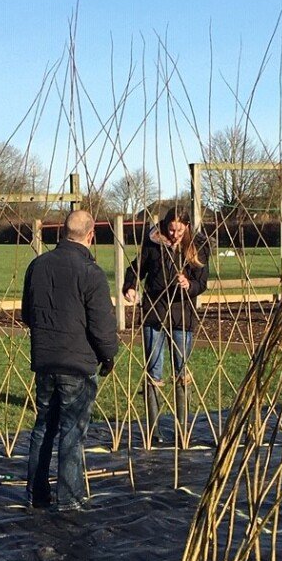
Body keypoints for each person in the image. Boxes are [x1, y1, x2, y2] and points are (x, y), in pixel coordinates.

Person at [20, 208, 118, 511]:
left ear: (62, 232)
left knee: (44, 428)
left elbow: (27, 313)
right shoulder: (91, 274)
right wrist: (109, 356)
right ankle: (70, 499)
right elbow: (102, 326)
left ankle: (37, 494)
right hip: (77, 364)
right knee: (72, 433)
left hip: (45, 360)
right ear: (91, 235)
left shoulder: (37, 265)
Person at [128, 210, 209, 443]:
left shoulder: (198, 245)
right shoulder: (153, 242)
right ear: (165, 225)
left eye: (179, 230)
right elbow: (136, 269)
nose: (174, 235)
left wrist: (189, 284)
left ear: (186, 227)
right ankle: (154, 432)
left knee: (182, 371)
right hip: (154, 313)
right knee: (153, 371)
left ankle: (183, 429)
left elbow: (202, 282)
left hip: (182, 315)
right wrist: (130, 286)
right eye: (171, 230)